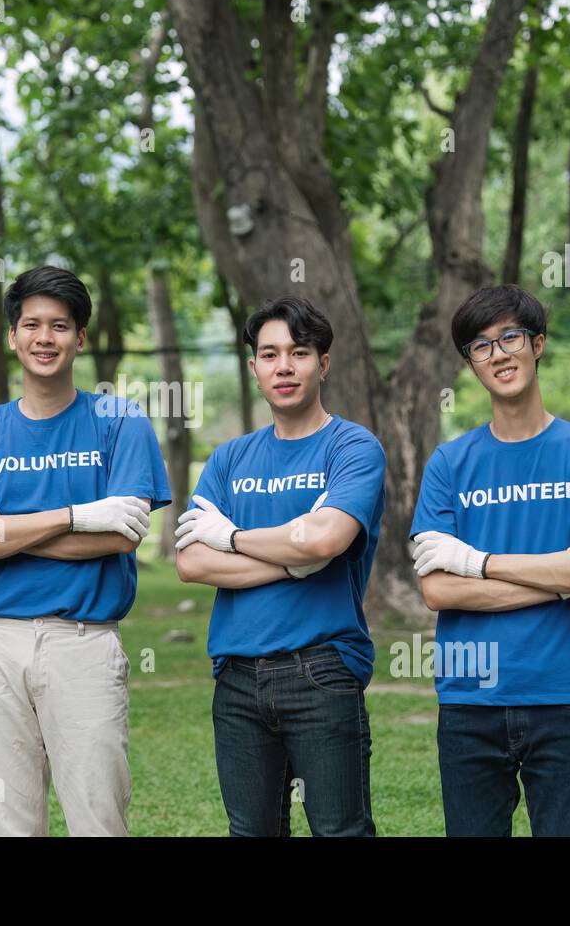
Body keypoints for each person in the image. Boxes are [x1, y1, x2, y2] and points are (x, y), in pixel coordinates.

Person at [0, 265, 171, 836]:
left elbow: (120, 535)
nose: (45, 337)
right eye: (31, 324)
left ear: (80, 338)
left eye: (60, 325)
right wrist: (74, 516)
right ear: (11, 336)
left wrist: (4, 532)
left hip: (83, 641)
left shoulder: (120, 421)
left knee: (98, 816)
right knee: (11, 821)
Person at [409, 284, 570, 837]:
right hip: (469, 699)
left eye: (510, 336)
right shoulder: (449, 463)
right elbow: (438, 591)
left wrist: (476, 561)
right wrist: (565, 573)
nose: (499, 353)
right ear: (470, 364)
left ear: (537, 344)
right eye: (481, 346)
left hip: (562, 696)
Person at [175, 297, 386, 837]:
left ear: (324, 363)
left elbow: (327, 538)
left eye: (300, 352)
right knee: (252, 831)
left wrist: (234, 538)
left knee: (340, 830)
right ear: (254, 369)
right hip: (238, 678)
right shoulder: (228, 459)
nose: (284, 366)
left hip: (322, 669)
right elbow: (193, 561)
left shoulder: (352, 447)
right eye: (270, 355)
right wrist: (296, 561)